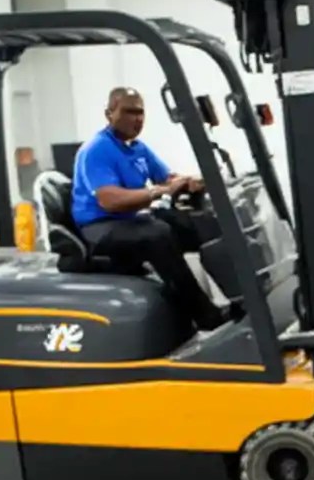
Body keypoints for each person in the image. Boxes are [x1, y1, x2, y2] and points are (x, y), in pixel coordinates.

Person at [71, 87, 231, 332]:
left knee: (198, 224)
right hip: (99, 227)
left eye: (140, 112)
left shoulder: (137, 148)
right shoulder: (96, 150)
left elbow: (166, 178)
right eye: (128, 112)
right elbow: (109, 199)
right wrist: (158, 192)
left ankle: (243, 295)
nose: (137, 119)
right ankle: (206, 316)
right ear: (109, 113)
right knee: (158, 235)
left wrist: (189, 181)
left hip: (128, 220)